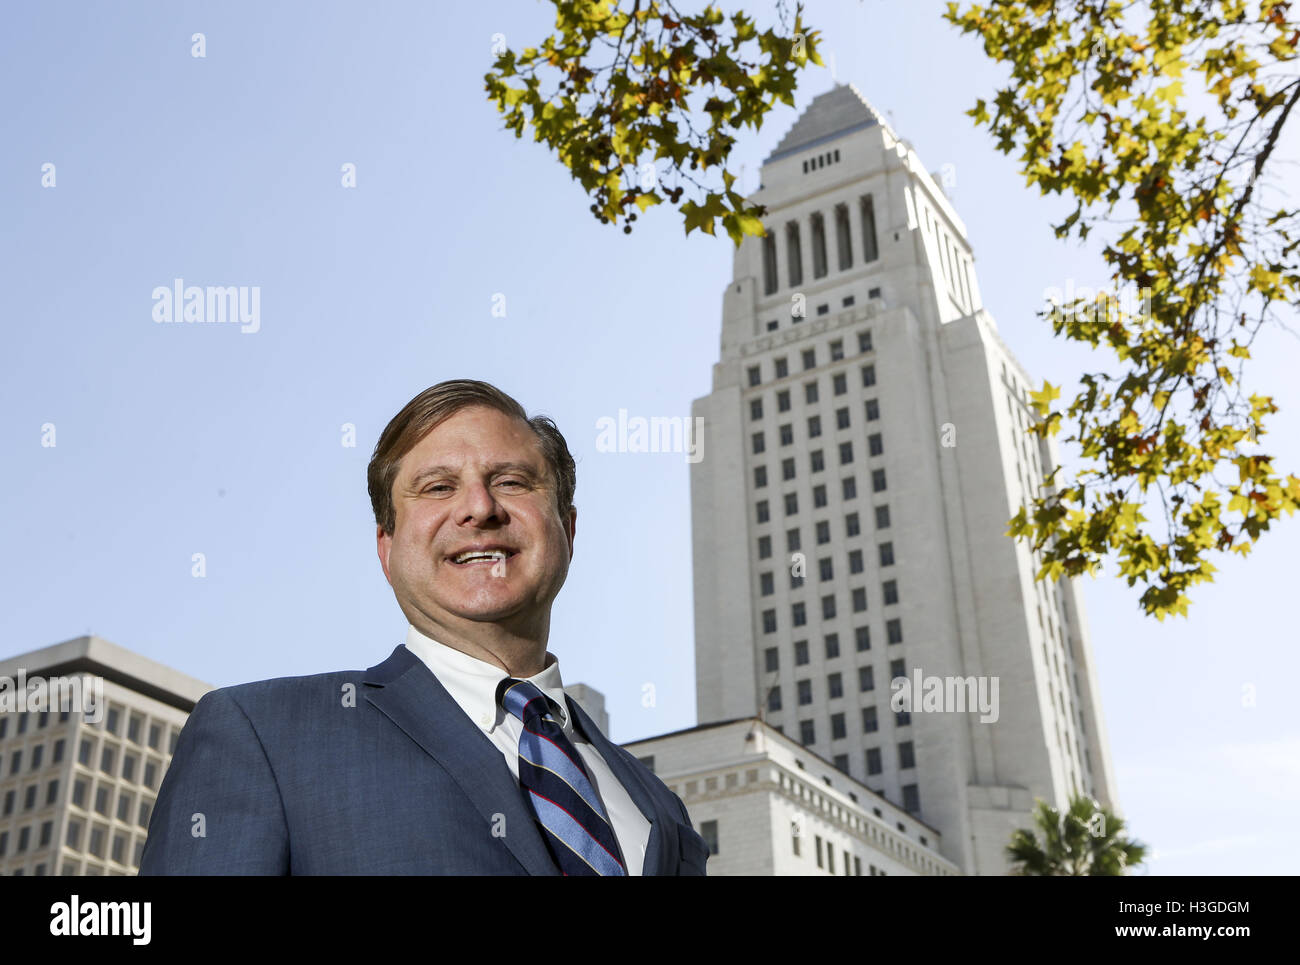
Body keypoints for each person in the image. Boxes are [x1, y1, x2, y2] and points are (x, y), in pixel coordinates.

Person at [138, 379, 707, 875]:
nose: (479, 508)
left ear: (568, 528)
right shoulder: (262, 737)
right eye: (438, 487)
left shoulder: (660, 806)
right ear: (386, 547)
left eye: (511, 481)